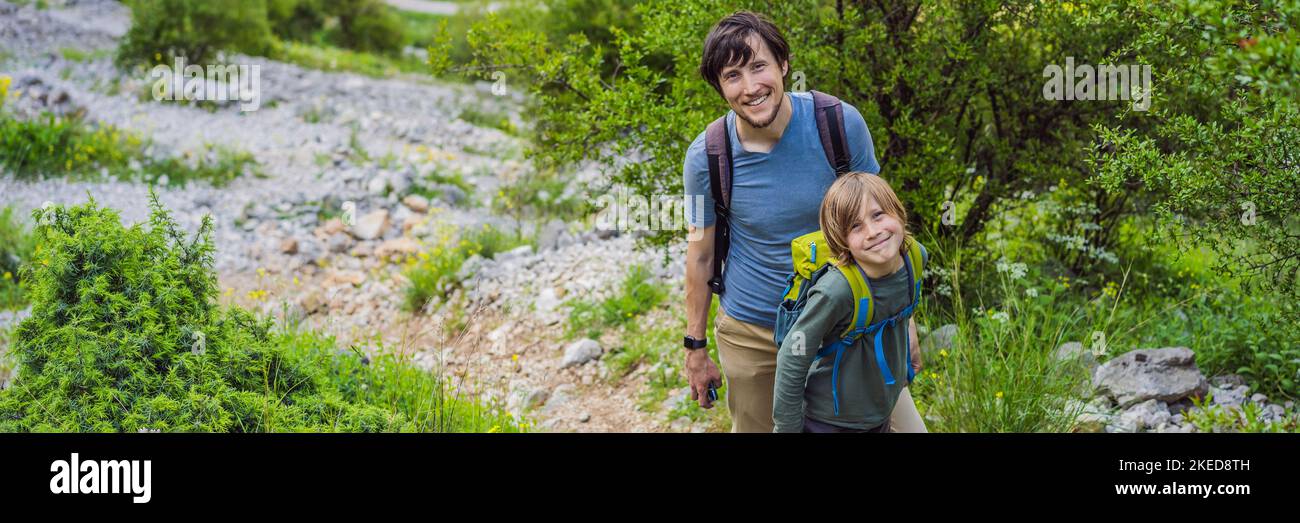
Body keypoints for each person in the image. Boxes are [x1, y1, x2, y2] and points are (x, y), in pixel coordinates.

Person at [681, 11, 926, 432]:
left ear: (784, 65)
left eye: (759, 66)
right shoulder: (708, 157)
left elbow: (883, 229)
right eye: (732, 75)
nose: (751, 87)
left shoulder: (838, 124)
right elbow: (701, 257)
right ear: (719, 87)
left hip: (852, 320)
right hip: (755, 331)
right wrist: (695, 349)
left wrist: (904, 323)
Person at [771, 173, 925, 432]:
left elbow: (901, 309)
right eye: (855, 226)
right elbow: (792, 356)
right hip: (830, 421)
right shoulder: (836, 292)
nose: (873, 232)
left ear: (898, 212)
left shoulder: (915, 258)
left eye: (878, 215)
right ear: (841, 241)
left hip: (879, 413)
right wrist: (787, 427)